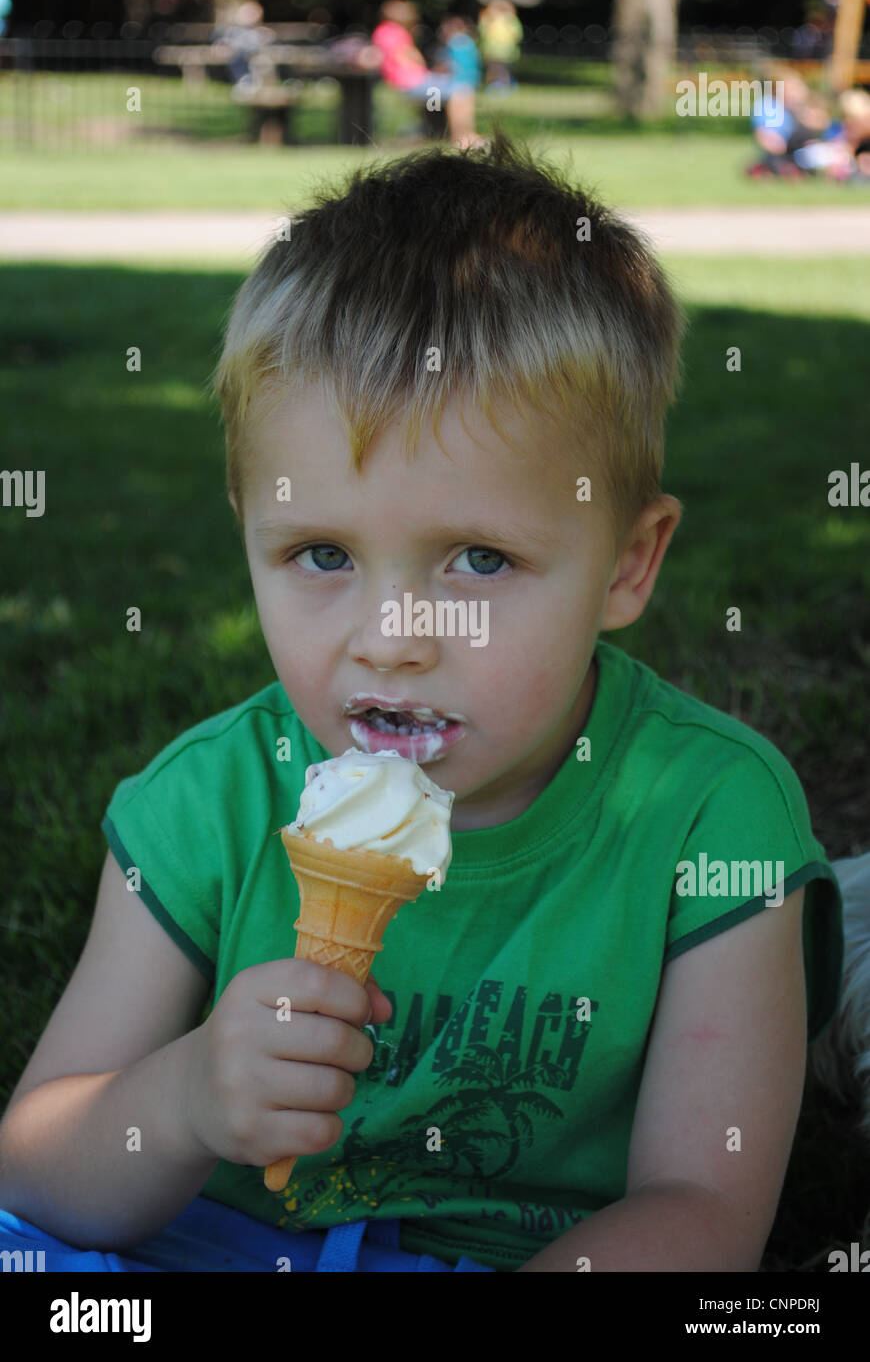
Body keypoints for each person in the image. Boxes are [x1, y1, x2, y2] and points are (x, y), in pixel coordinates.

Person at [0, 129, 851, 1273]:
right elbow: (37, 1168)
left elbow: (702, 1204)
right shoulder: (207, 803)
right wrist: (187, 1096)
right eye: (318, 553)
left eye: (480, 560)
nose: (394, 639)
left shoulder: (709, 817)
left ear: (627, 565)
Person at [368, 0, 485, 147]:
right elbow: (406, 57)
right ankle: (463, 137)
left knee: (440, 95)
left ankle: (433, 131)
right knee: (461, 91)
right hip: (413, 82)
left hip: (410, 82)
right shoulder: (395, 32)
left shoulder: (382, 31)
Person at [478, 0, 523, 91]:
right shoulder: (489, 20)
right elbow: (482, 31)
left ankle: (504, 85)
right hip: (491, 50)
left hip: (504, 50)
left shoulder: (510, 21)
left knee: (502, 69)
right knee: (492, 69)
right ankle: (493, 84)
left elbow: (517, 35)